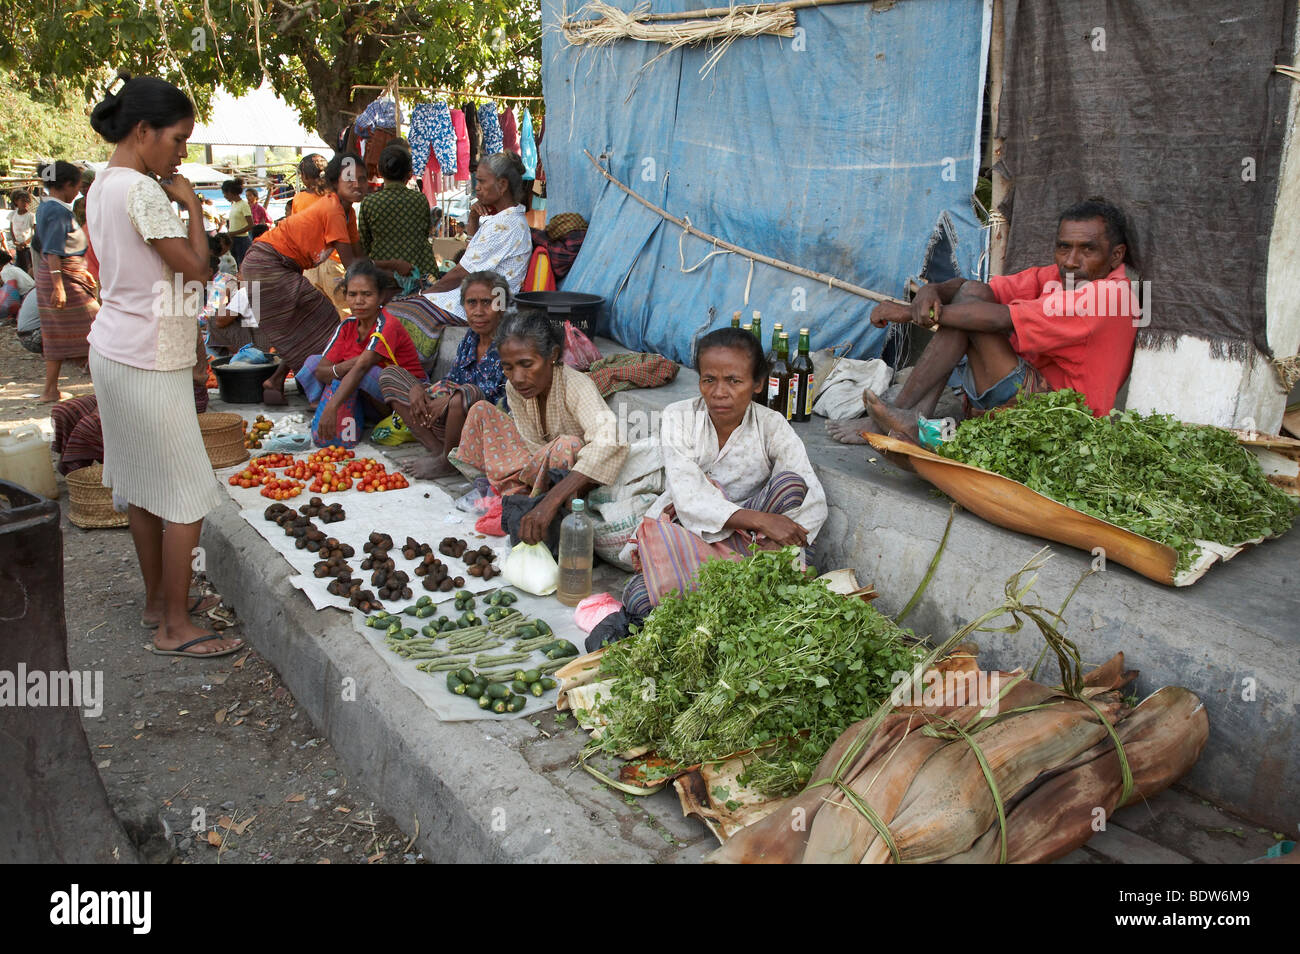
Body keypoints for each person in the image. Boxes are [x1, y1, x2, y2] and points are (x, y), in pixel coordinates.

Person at [85, 74, 242, 658]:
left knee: (142, 485)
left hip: (117, 346)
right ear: (143, 131)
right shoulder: (145, 192)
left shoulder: (102, 184)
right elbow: (195, 271)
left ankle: (158, 600)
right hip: (149, 354)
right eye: (177, 140)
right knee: (187, 492)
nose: (181, 153)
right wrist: (195, 208)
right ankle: (174, 626)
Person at [830, 198, 1141, 445]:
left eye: (1088, 249)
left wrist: (909, 313)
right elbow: (980, 291)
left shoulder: (1111, 296)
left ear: (1116, 256)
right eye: (1064, 247)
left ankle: (896, 416)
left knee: (971, 315)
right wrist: (931, 290)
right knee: (972, 293)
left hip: (1063, 420)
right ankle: (910, 417)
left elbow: (1000, 319)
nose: (1071, 261)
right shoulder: (1060, 277)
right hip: (1024, 397)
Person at [621, 327, 828, 615]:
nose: (719, 392)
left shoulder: (772, 424)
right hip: (694, 531)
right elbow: (689, 497)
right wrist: (761, 521)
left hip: (750, 540)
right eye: (709, 380)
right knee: (638, 601)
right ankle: (740, 583)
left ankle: (748, 575)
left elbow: (813, 496)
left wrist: (778, 541)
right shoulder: (678, 417)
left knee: (791, 486)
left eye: (734, 381)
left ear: (757, 383)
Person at [240, 152, 411, 404]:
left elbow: (359, 258)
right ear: (333, 184)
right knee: (327, 320)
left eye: (362, 179)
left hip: (279, 265)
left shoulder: (347, 213)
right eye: (349, 179)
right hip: (267, 263)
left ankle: (276, 380)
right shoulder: (333, 209)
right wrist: (385, 280)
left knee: (306, 325)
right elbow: (353, 265)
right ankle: (317, 389)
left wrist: (390, 266)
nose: (357, 184)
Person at [450, 309, 629, 545]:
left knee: (568, 444)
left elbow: (610, 440)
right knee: (482, 411)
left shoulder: (575, 385)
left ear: (552, 355)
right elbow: (529, 444)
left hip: (571, 476)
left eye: (527, 364)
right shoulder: (515, 388)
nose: (518, 377)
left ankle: (522, 498)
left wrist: (550, 500)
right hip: (537, 464)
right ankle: (512, 494)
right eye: (508, 367)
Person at [382, 271, 509, 478]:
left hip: (485, 432)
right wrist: (419, 389)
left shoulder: (509, 342)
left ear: (501, 307)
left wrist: (453, 398)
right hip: (453, 422)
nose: (478, 311)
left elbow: (498, 399)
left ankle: (450, 462)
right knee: (391, 375)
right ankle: (439, 450)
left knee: (466, 394)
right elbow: (452, 380)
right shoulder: (471, 338)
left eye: (487, 303)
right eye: (471, 303)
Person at [301, 259, 428, 444]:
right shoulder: (347, 325)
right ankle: (333, 408)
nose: (359, 301)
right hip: (370, 393)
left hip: (406, 396)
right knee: (313, 362)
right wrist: (346, 366)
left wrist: (332, 406)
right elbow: (321, 369)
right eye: (352, 294)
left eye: (367, 294)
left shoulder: (387, 324)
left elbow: (362, 368)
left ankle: (335, 409)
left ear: (381, 296)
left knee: (365, 371)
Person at [421, 152, 531, 322]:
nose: (476, 187)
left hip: (484, 307)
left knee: (403, 310)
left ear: (502, 185)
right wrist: (473, 217)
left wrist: (425, 295)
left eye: (481, 181)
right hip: (481, 299)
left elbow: (461, 272)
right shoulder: (506, 220)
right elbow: (470, 255)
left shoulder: (504, 226)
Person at [34, 160, 98, 402]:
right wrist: (59, 285)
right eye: (78, 185)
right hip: (61, 276)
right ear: (67, 185)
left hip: (67, 273)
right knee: (97, 323)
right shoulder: (56, 210)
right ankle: (101, 383)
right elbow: (52, 250)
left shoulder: (48, 206)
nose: (79, 191)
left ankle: (51, 389)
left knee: (57, 333)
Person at [358, 143, 438, 289]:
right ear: (409, 173)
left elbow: (363, 243)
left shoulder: (369, 202)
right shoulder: (420, 199)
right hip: (421, 273)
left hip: (384, 277)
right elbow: (426, 231)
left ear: (379, 170)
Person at [291, 152, 348, 315]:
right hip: (334, 261)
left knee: (318, 313)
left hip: (311, 264)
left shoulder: (298, 199)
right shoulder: (335, 197)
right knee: (345, 310)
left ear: (305, 176)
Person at [222, 179, 253, 264]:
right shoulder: (234, 204)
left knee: (241, 264)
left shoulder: (244, 205)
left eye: (225, 194)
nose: (225, 196)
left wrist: (234, 233)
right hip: (233, 239)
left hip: (242, 240)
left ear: (231, 192)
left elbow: (250, 225)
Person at [0, 248, 35, 321]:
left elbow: (12, 295)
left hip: (27, 297)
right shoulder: (13, 268)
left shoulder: (5, 272)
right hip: (33, 293)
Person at [7, 190, 34, 274]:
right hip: (18, 245)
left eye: (27, 201)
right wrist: (15, 242)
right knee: (20, 266)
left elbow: (35, 232)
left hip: (28, 246)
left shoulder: (31, 216)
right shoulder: (13, 214)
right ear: (16, 202)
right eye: (22, 201)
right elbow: (11, 229)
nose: (25, 203)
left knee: (29, 265)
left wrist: (25, 243)